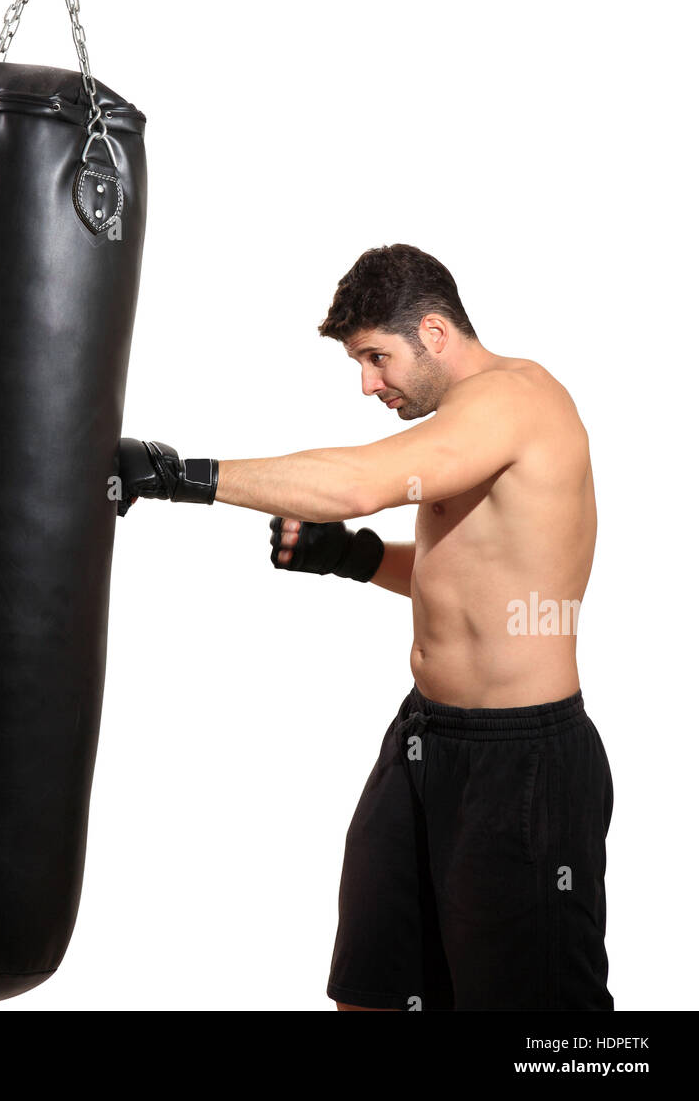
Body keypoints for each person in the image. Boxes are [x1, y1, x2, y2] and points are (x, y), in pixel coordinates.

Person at [114, 243, 614, 1012]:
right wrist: (353, 557)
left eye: (377, 358)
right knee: (376, 990)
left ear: (436, 333)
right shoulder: (468, 427)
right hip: (423, 740)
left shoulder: (517, 400)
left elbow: (357, 484)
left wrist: (179, 475)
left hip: (523, 762)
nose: (367, 383)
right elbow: (466, 579)